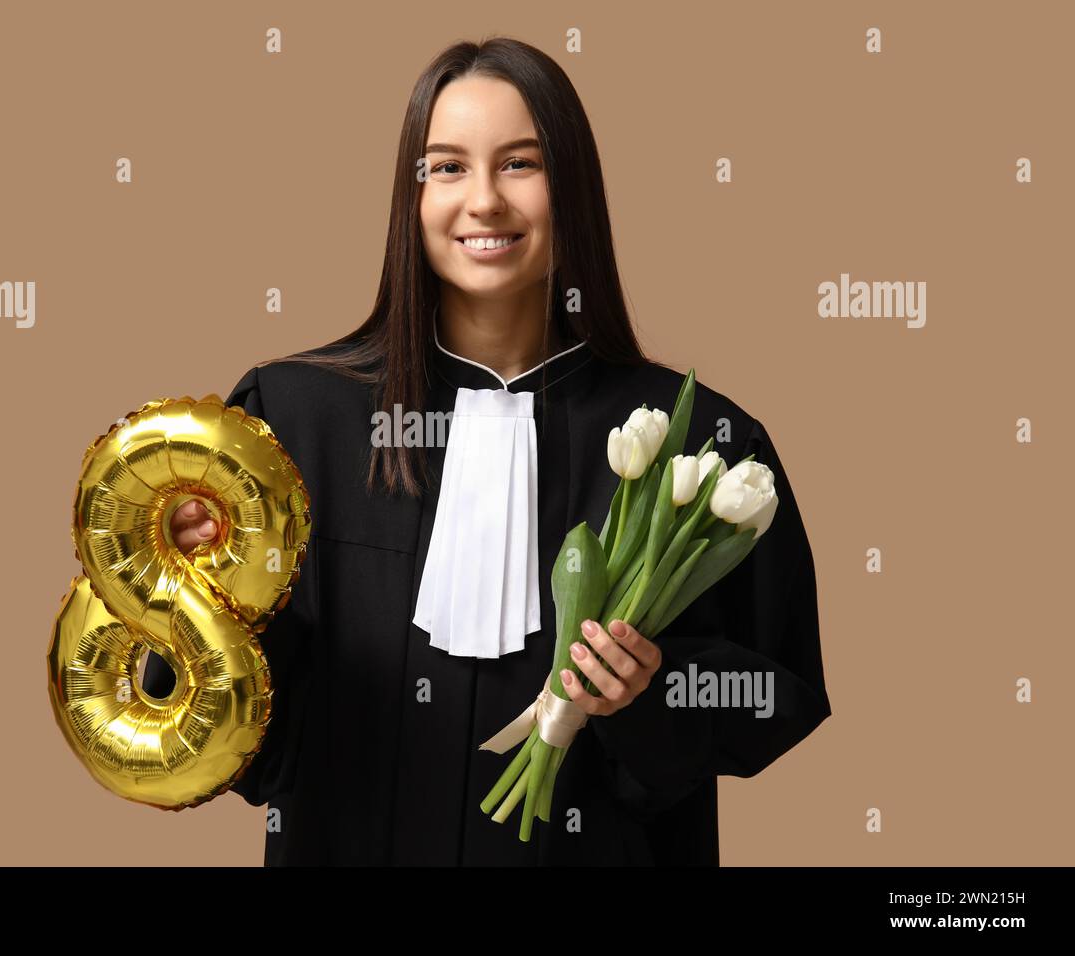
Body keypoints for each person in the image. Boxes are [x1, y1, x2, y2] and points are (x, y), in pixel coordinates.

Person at [144, 36, 830, 865]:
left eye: (519, 164)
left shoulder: (698, 444)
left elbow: (773, 695)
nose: (483, 202)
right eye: (446, 167)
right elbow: (242, 728)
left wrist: (652, 692)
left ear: (571, 188)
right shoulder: (290, 422)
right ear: (412, 195)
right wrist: (199, 599)